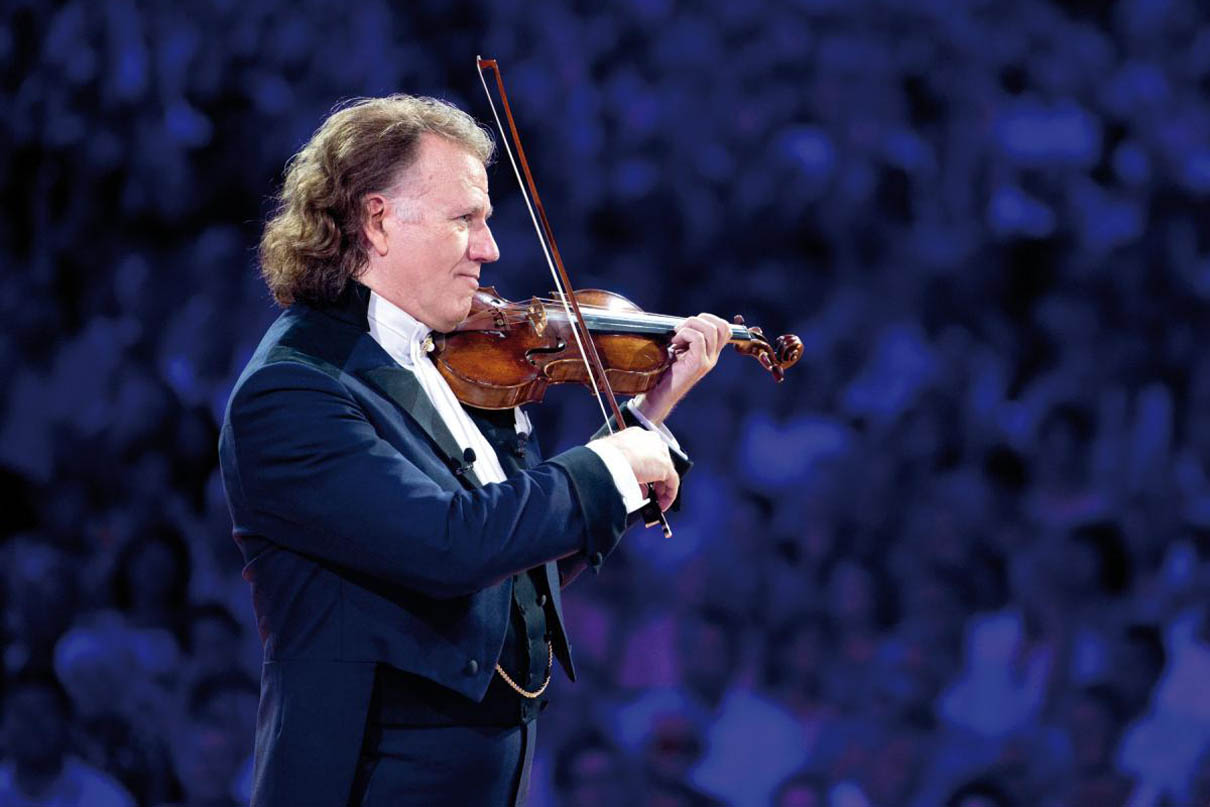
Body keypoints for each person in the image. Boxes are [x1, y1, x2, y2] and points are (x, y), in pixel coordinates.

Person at [218, 94, 732, 806]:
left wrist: (646, 418)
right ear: (378, 220)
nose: (490, 249)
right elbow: (447, 544)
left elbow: (513, 562)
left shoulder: (448, 359)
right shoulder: (294, 394)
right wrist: (612, 467)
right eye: (467, 220)